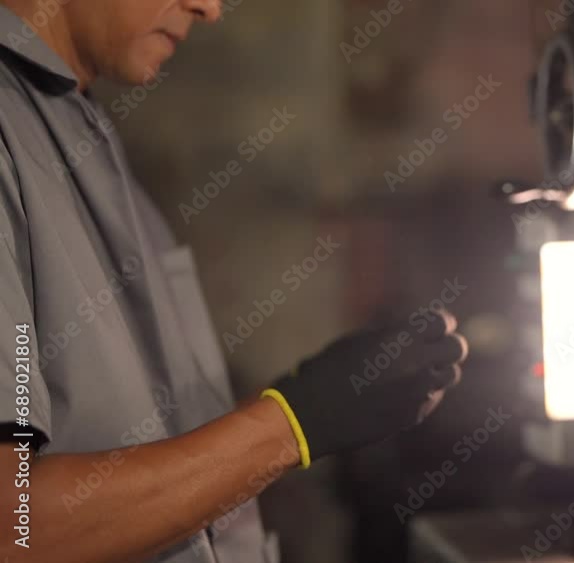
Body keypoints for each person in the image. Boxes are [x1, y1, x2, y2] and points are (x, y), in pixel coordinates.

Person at [0, 1, 468, 561]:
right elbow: (13, 527)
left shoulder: (76, 126)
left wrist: (318, 396)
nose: (209, 8)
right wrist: (290, 424)